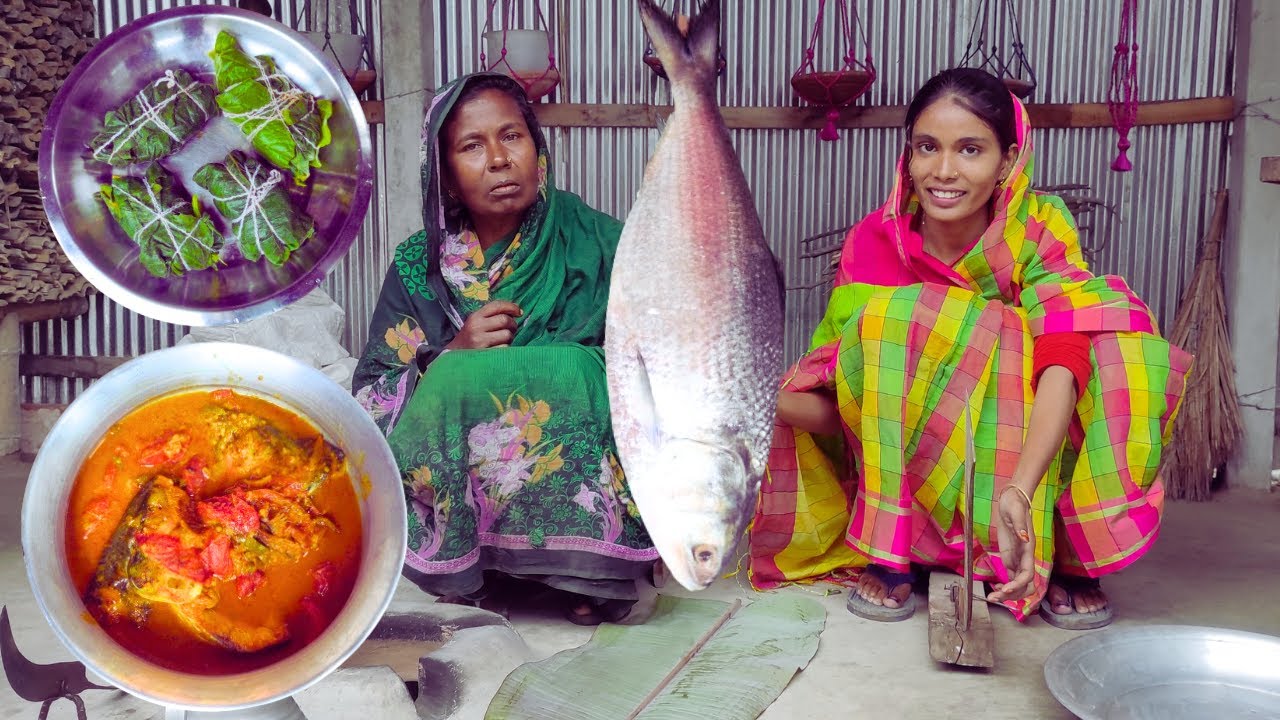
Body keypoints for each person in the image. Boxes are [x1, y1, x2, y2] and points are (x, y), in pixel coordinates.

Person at [748, 67, 1191, 628]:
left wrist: (1020, 492)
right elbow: (845, 403)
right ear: (907, 155)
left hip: (1025, 465)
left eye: (971, 150)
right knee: (895, 320)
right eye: (927, 148)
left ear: (1007, 161)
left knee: (1120, 344)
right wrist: (746, 399)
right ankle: (894, 546)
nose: (944, 171)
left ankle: (1073, 553)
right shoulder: (876, 243)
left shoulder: (1037, 228)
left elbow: (1064, 362)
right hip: (918, 466)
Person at [352, 72, 657, 625]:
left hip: (593, 447)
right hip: (461, 463)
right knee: (453, 378)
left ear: (537, 151)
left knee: (576, 369)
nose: (498, 158)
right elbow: (373, 392)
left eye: (511, 136)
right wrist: (451, 353)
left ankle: (582, 570)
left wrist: (569, 366)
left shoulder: (602, 241)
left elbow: (657, 361)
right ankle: (473, 563)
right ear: (444, 176)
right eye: (472, 146)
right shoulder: (418, 266)